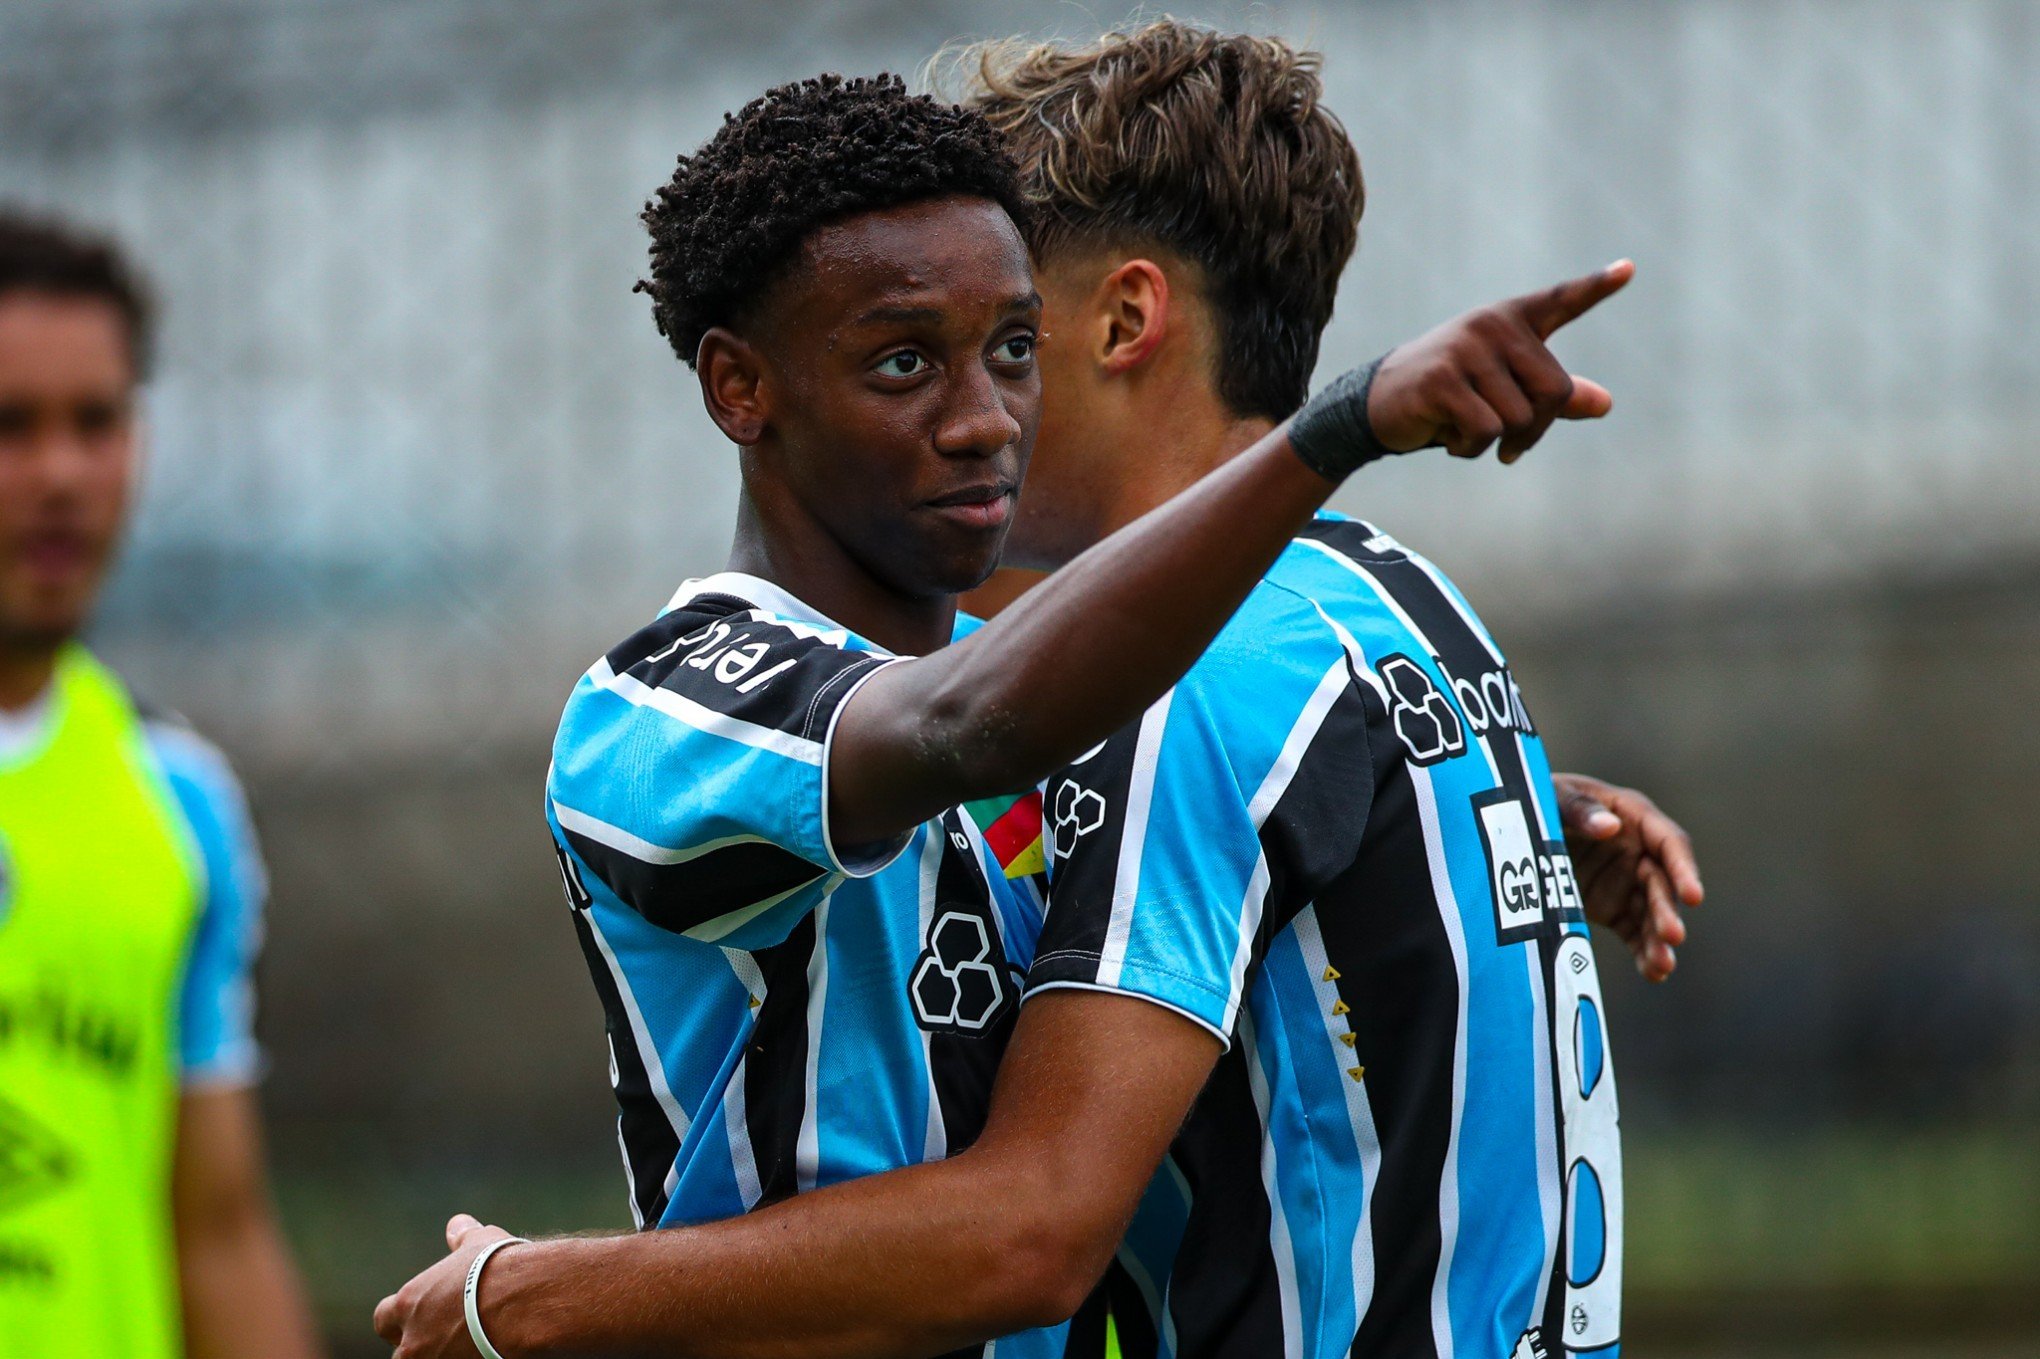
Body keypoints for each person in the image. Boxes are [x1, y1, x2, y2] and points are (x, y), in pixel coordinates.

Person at [377, 53, 1681, 1359]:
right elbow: (972, 731)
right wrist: (527, 1298)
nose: (984, 418)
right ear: (742, 388)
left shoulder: (1175, 679)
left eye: (1012, 347)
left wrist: (1409, 839)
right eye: (903, 362)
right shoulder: (670, 702)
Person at [0, 211, 323, 1357]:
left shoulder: (177, 804)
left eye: (96, 423)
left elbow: (219, 1234)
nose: (60, 475)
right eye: (10, 427)